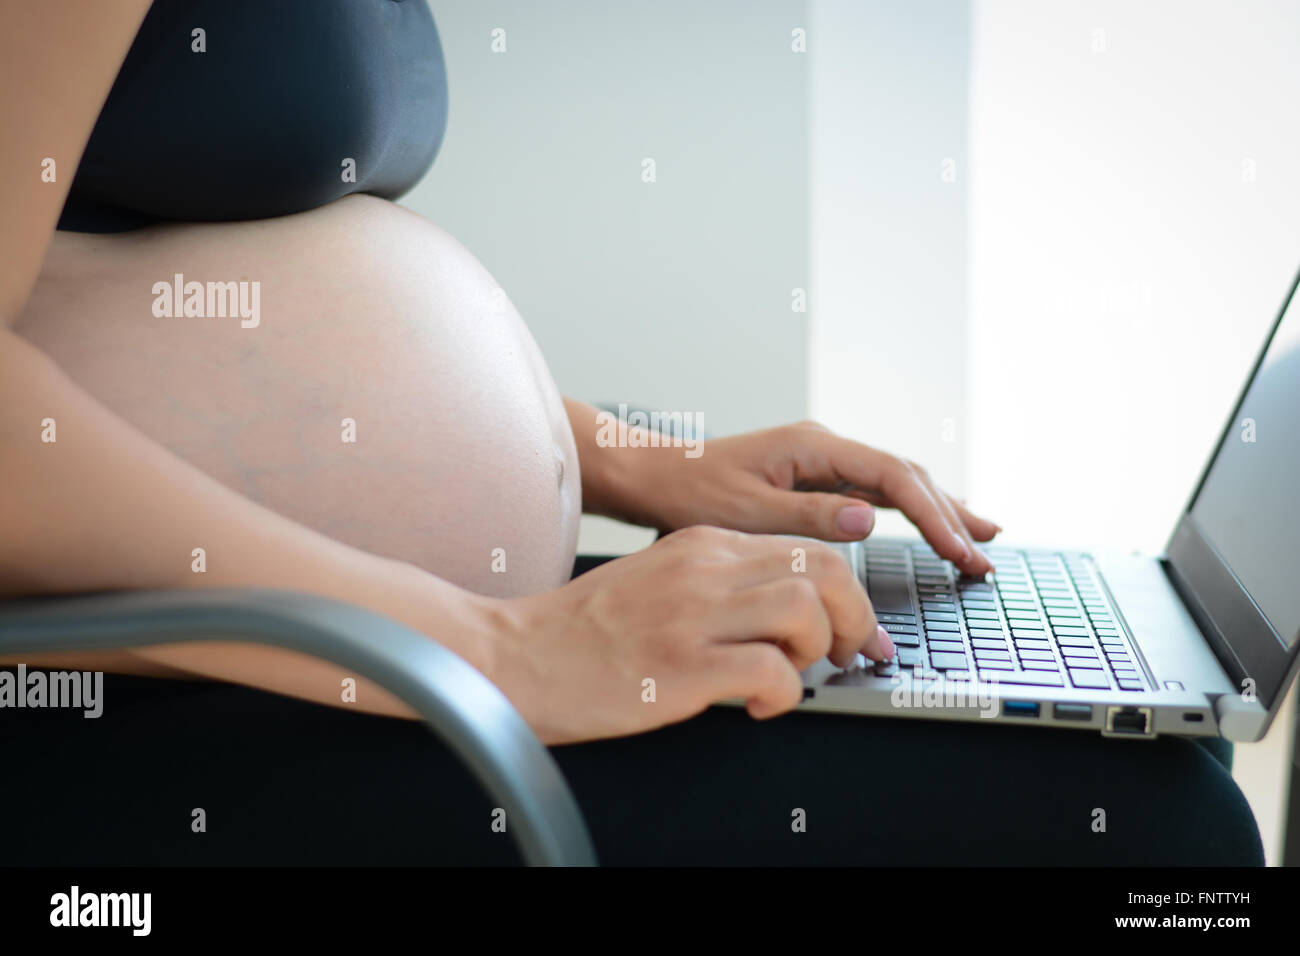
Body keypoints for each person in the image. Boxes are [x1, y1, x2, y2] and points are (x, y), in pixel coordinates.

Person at [0, 0, 1262, 865]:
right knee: (1148, 832)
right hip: (129, 715)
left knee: (1164, 787)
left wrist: (628, 458)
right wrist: (496, 652)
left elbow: (129, 289)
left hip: (361, 645)